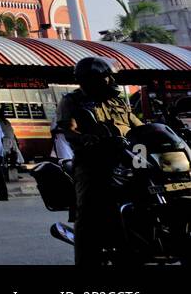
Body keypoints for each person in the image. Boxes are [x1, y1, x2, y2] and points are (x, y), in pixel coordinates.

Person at [57, 57, 143, 266]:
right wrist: (85, 138)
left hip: (127, 160)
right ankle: (86, 260)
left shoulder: (118, 102)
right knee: (87, 211)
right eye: (106, 77)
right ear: (90, 80)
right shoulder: (73, 101)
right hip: (93, 163)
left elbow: (139, 126)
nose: (110, 80)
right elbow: (69, 129)